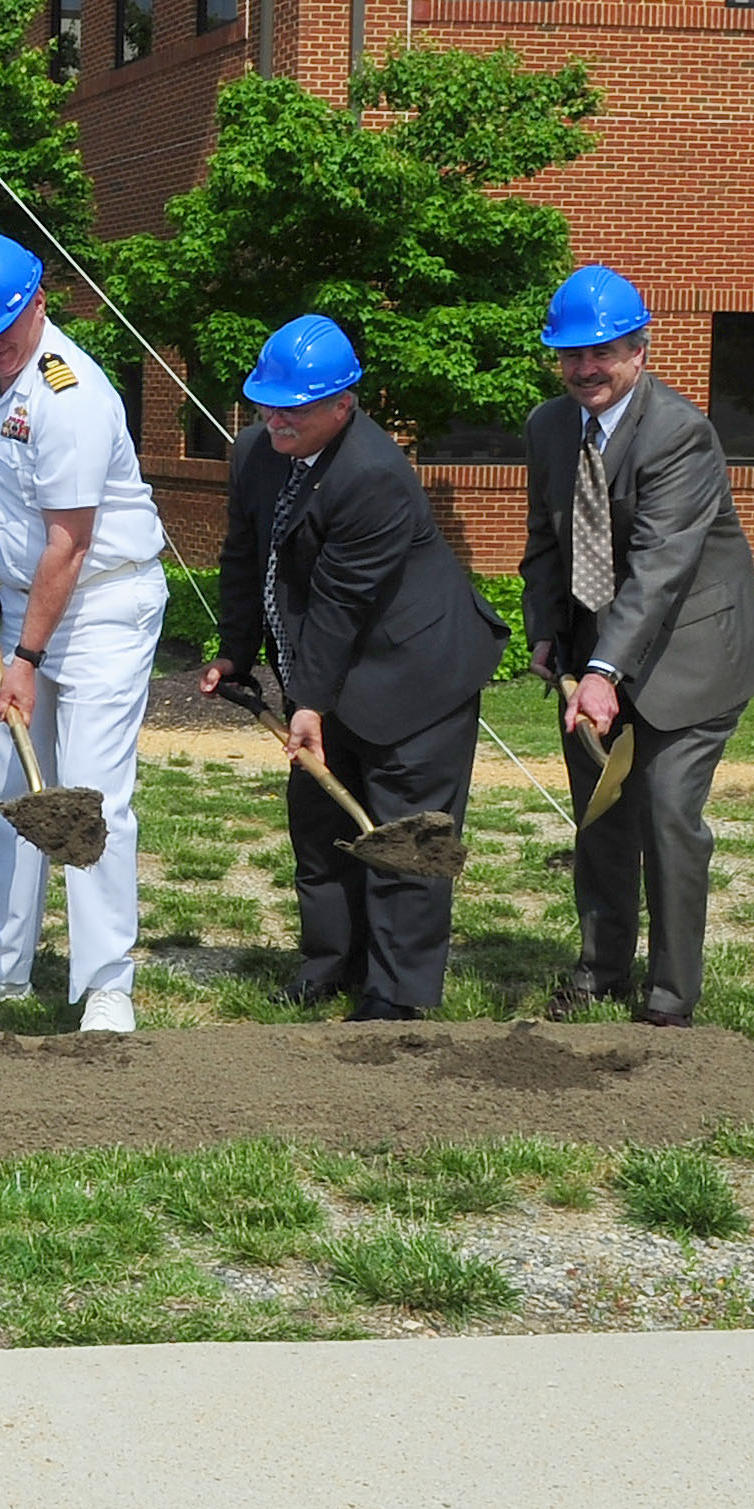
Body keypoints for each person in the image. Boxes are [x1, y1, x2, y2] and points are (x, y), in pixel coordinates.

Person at [198, 315, 506, 1020]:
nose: (275, 417)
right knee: (320, 826)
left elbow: (341, 602)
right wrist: (235, 651)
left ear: (344, 403)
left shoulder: (373, 474)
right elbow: (245, 558)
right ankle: (332, 964)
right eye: (265, 401)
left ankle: (398, 996)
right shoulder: (255, 451)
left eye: (293, 407)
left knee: (407, 837)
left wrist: (306, 703)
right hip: (334, 670)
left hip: (416, 675)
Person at [522, 265, 754, 1027]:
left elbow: (661, 566)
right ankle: (600, 971)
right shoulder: (547, 427)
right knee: (601, 817)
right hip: (591, 653)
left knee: (668, 812)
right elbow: (547, 540)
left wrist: (606, 669)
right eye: (571, 355)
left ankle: (671, 998)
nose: (585, 369)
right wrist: (548, 629)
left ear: (641, 349)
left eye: (602, 352)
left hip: (693, 655)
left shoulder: (681, 434)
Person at [0, 231, 166, 1035]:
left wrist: (24, 658)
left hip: (102, 604)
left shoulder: (72, 396)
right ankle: (0, 967)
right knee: (17, 792)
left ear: (38, 301)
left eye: (3, 326)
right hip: (31, 595)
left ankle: (107, 983)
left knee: (92, 799)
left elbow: (68, 542)